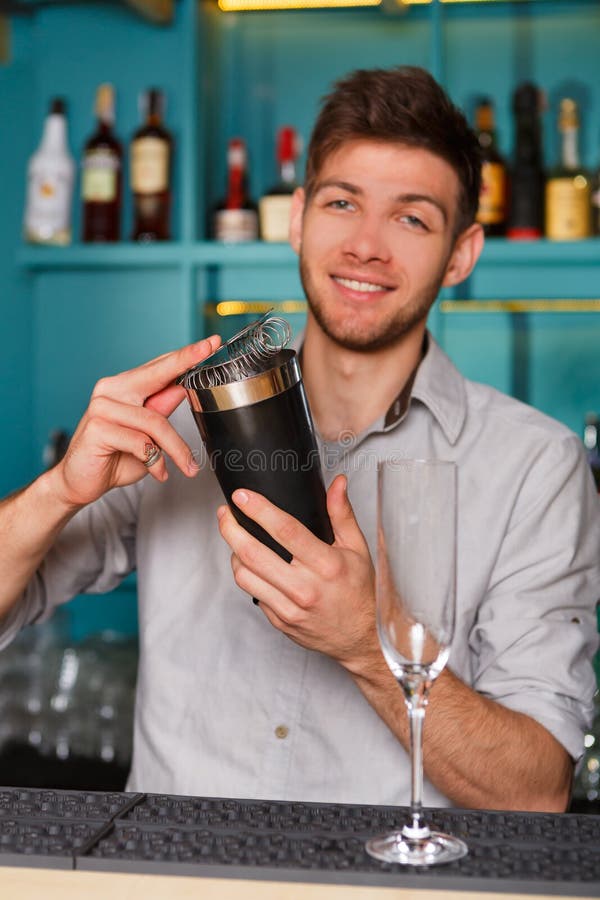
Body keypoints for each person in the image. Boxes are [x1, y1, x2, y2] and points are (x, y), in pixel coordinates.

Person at [1, 66, 598, 813]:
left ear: (461, 254)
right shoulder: (177, 425)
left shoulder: (535, 467)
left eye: (411, 218)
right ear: (297, 219)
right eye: (343, 203)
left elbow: (538, 791)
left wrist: (366, 642)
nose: (366, 246)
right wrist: (59, 492)